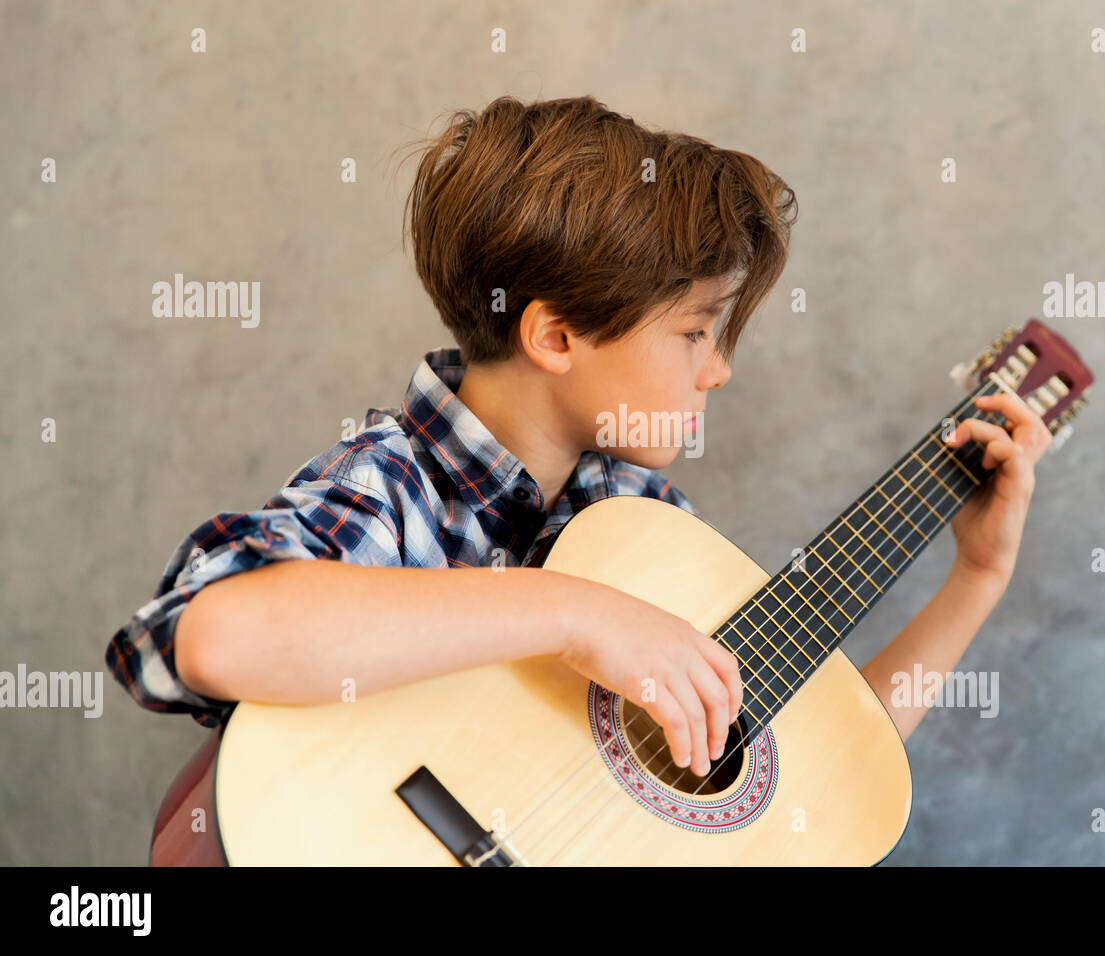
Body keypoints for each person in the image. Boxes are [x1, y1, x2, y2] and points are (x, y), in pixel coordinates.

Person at [106, 94, 1049, 780]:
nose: (717, 368)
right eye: (693, 331)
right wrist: (573, 613)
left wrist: (974, 580)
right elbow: (205, 636)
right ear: (554, 335)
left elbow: (811, 781)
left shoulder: (641, 520)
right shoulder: (390, 485)